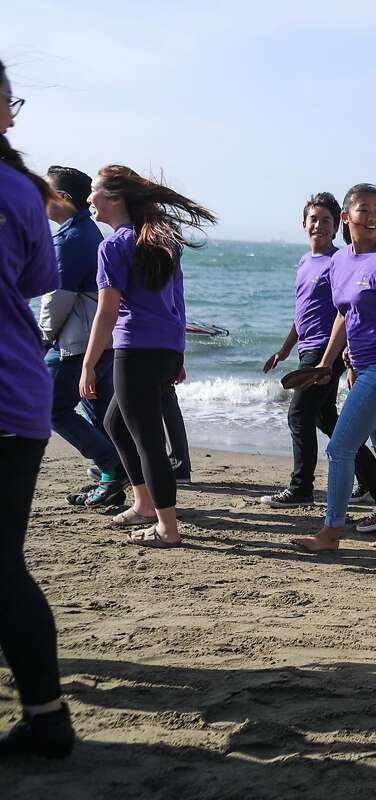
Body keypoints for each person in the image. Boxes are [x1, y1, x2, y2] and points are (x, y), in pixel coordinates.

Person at [0, 58, 75, 758]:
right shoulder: (24, 193)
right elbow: (34, 281)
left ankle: (48, 716)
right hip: (19, 393)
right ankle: (47, 713)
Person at [79, 165, 216, 548]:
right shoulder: (162, 239)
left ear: (115, 199)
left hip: (136, 351)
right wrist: (178, 353)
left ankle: (167, 528)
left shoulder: (113, 246)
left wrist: (89, 364)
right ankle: (143, 505)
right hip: (163, 349)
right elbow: (178, 301)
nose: (89, 199)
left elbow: (107, 313)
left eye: (94, 192)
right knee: (117, 425)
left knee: (148, 441)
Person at [293, 184, 376, 553]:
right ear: (347, 218)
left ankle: (330, 533)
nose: (372, 217)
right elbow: (343, 315)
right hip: (364, 369)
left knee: (339, 448)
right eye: (364, 210)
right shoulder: (340, 262)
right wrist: (327, 361)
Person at [260, 191, 376, 529]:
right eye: (314, 219)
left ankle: (301, 488)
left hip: (326, 352)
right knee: (332, 424)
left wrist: (339, 358)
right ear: (303, 224)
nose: (319, 225)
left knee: (299, 415)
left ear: (338, 226)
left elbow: (348, 309)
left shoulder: (339, 261)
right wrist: (285, 349)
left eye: (326, 221)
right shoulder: (305, 262)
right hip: (308, 349)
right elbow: (301, 313)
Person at [41, 165, 127, 507]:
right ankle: (115, 477)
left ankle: (111, 465)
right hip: (103, 340)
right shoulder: (88, 232)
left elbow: (57, 298)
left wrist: (42, 338)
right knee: (98, 409)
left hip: (77, 344)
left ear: (62, 198)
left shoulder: (72, 238)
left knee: (50, 408)